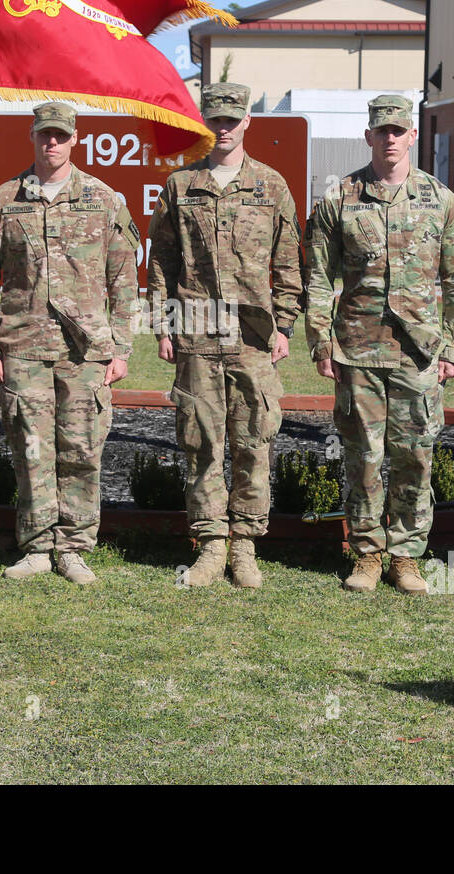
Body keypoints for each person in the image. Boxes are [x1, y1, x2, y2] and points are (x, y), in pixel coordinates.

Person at [0, 101, 139, 585]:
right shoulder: (2, 202)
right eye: (44, 135)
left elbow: (124, 276)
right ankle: (38, 547)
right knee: (30, 448)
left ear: (75, 138)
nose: (52, 143)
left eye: (60, 135)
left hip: (85, 351)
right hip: (22, 346)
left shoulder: (105, 201)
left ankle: (74, 547)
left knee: (82, 448)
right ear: (33, 137)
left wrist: (120, 347)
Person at [303, 94, 454, 594]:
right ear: (369, 136)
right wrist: (320, 342)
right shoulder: (340, 198)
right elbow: (317, 277)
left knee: (416, 456)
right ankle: (367, 554)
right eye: (382, 131)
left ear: (413, 136)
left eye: (399, 130)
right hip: (357, 349)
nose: (391, 138)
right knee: (363, 457)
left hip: (418, 352)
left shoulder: (441, 201)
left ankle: (406, 555)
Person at [147, 82, 302, 588]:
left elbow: (288, 262)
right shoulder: (180, 185)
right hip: (195, 331)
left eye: (233, 119)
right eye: (216, 119)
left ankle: (246, 548)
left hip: (254, 336)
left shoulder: (271, 185)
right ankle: (211, 545)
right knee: (200, 440)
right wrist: (163, 324)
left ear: (248, 122)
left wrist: (285, 324)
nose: (224, 128)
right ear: (204, 123)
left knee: (254, 438)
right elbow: (162, 261)